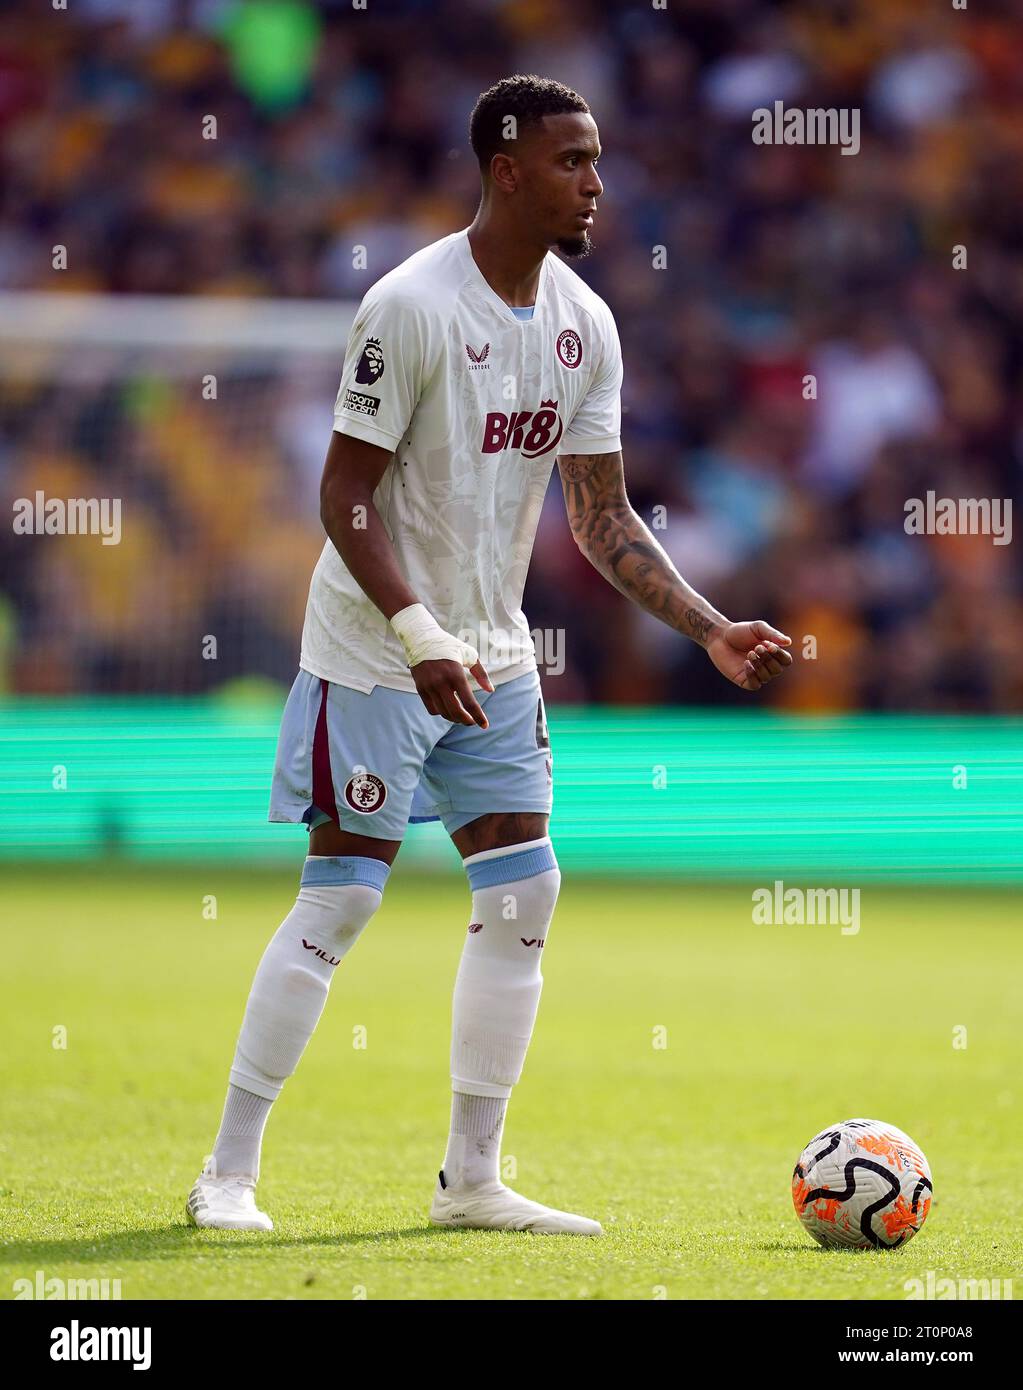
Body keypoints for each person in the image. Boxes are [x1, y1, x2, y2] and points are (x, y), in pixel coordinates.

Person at [186, 73, 792, 1237]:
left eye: (599, 159)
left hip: (496, 658)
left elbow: (603, 518)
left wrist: (710, 627)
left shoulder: (586, 325)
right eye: (574, 161)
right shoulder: (408, 305)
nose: (597, 183)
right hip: (374, 651)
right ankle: (229, 1171)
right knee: (341, 900)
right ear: (507, 169)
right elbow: (343, 494)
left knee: (525, 889)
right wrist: (416, 636)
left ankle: (471, 1179)